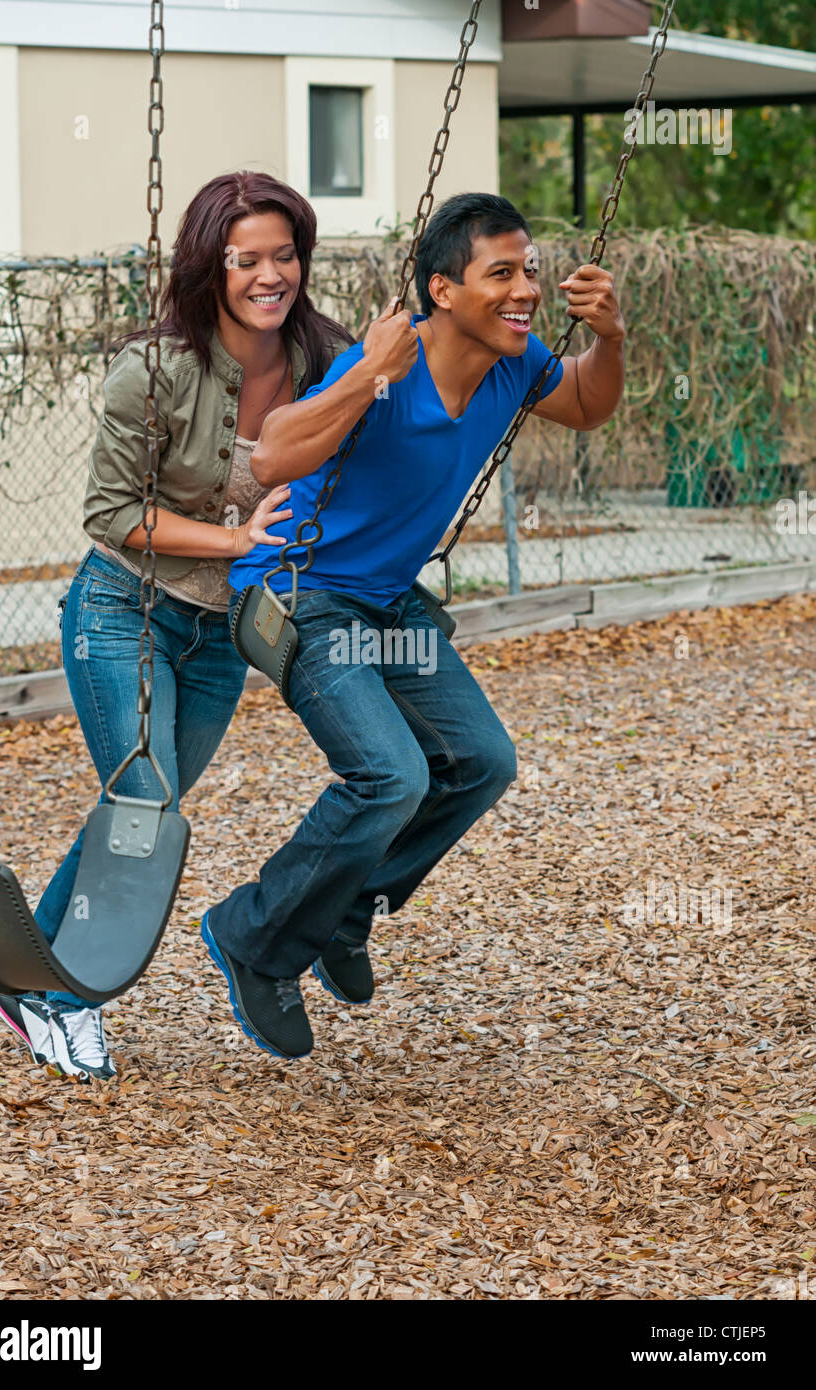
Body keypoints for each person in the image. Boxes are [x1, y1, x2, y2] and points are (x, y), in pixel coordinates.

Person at [200, 192, 626, 1060]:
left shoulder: (515, 362)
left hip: (385, 599)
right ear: (440, 289)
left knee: (480, 762)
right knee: (389, 775)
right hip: (298, 591)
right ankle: (254, 938)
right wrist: (364, 372)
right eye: (500, 274)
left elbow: (585, 404)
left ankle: (348, 905)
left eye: (530, 271)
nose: (525, 291)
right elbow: (275, 453)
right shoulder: (386, 365)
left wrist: (610, 339)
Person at [0, 172, 352, 1081]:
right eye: (247, 260)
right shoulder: (151, 373)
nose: (271, 275)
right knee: (143, 807)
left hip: (217, 630)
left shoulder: (323, 362)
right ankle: (67, 1005)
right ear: (210, 266)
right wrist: (236, 539)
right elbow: (113, 514)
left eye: (285, 254)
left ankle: (26, 971)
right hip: (122, 609)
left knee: (141, 811)